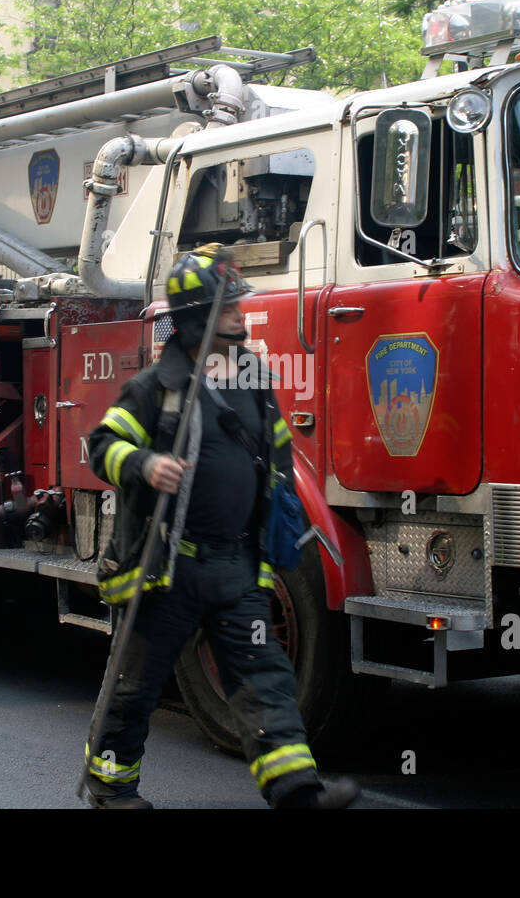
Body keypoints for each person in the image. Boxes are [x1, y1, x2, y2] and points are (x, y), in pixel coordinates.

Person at [81, 244, 359, 810]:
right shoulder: (156, 386)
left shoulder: (251, 373)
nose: (240, 312)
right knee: (136, 686)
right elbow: (101, 445)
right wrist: (145, 465)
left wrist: (281, 512)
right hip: (169, 571)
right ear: (197, 317)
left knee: (264, 676)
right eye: (228, 304)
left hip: (236, 567)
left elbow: (276, 450)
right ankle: (110, 788)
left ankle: (296, 790)